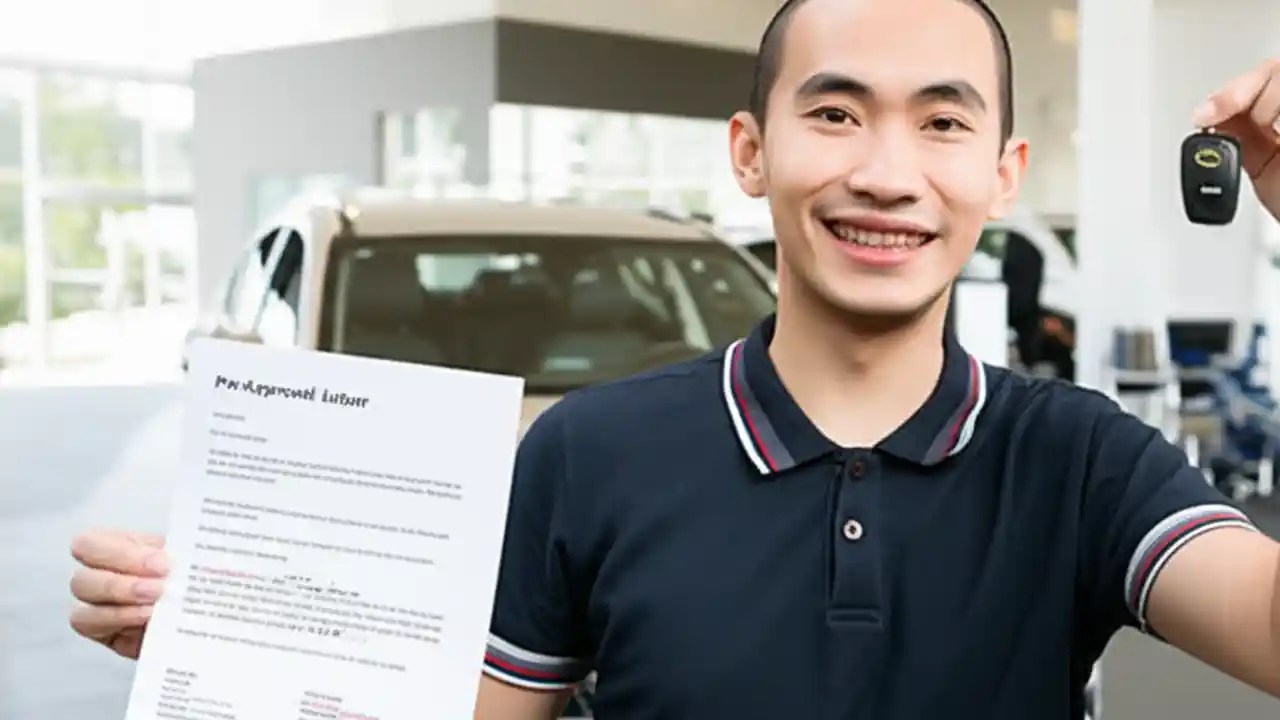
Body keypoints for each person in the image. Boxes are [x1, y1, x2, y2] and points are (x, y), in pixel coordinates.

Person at [68, 1, 1280, 717]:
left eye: (943, 121)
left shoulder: (1079, 462)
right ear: (749, 152)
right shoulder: (588, 451)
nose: (885, 171)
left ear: (999, 175)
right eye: (835, 111)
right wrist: (254, 647)